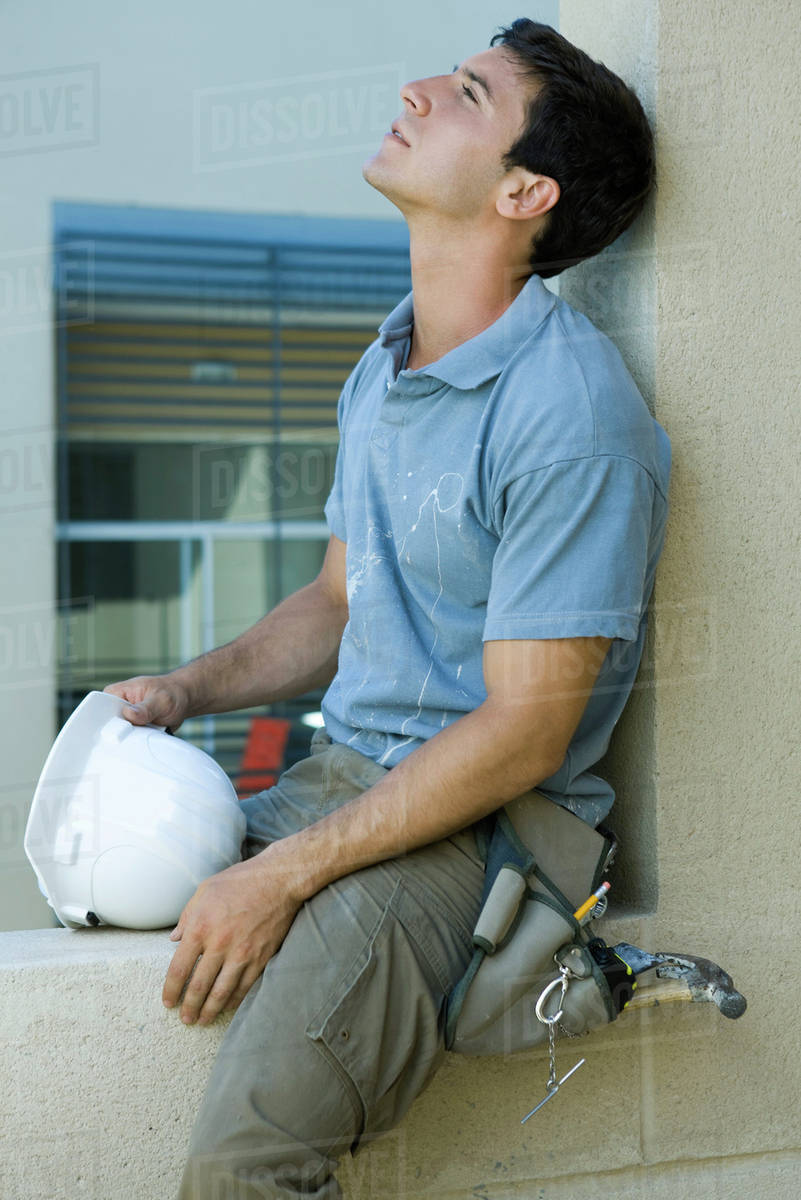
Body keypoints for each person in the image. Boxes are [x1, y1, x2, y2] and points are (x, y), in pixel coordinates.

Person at [106, 18, 670, 1198]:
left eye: (466, 91)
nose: (415, 90)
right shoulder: (389, 362)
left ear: (525, 190)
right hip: (350, 779)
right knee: (110, 892)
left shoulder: (571, 410)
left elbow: (525, 734)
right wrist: (180, 692)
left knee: (246, 1166)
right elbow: (338, 598)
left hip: (486, 832)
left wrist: (284, 873)